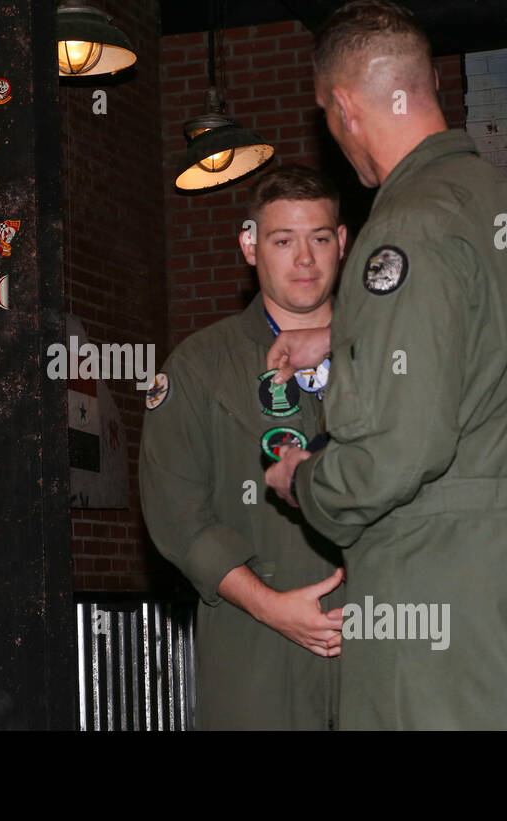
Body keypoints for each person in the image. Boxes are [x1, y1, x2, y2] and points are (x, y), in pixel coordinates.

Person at [263, 0, 507, 729]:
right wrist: (349, 337)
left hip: (446, 621)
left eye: (326, 112)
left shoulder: (408, 224)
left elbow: (396, 452)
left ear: (346, 108)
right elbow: (481, 353)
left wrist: (306, 481)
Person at [140, 165, 348, 730]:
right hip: (256, 648)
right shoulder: (202, 366)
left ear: (343, 242)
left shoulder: (392, 353)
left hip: (383, 641)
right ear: (250, 246)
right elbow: (177, 516)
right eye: (283, 240)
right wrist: (269, 606)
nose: (305, 259)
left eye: (320, 238)